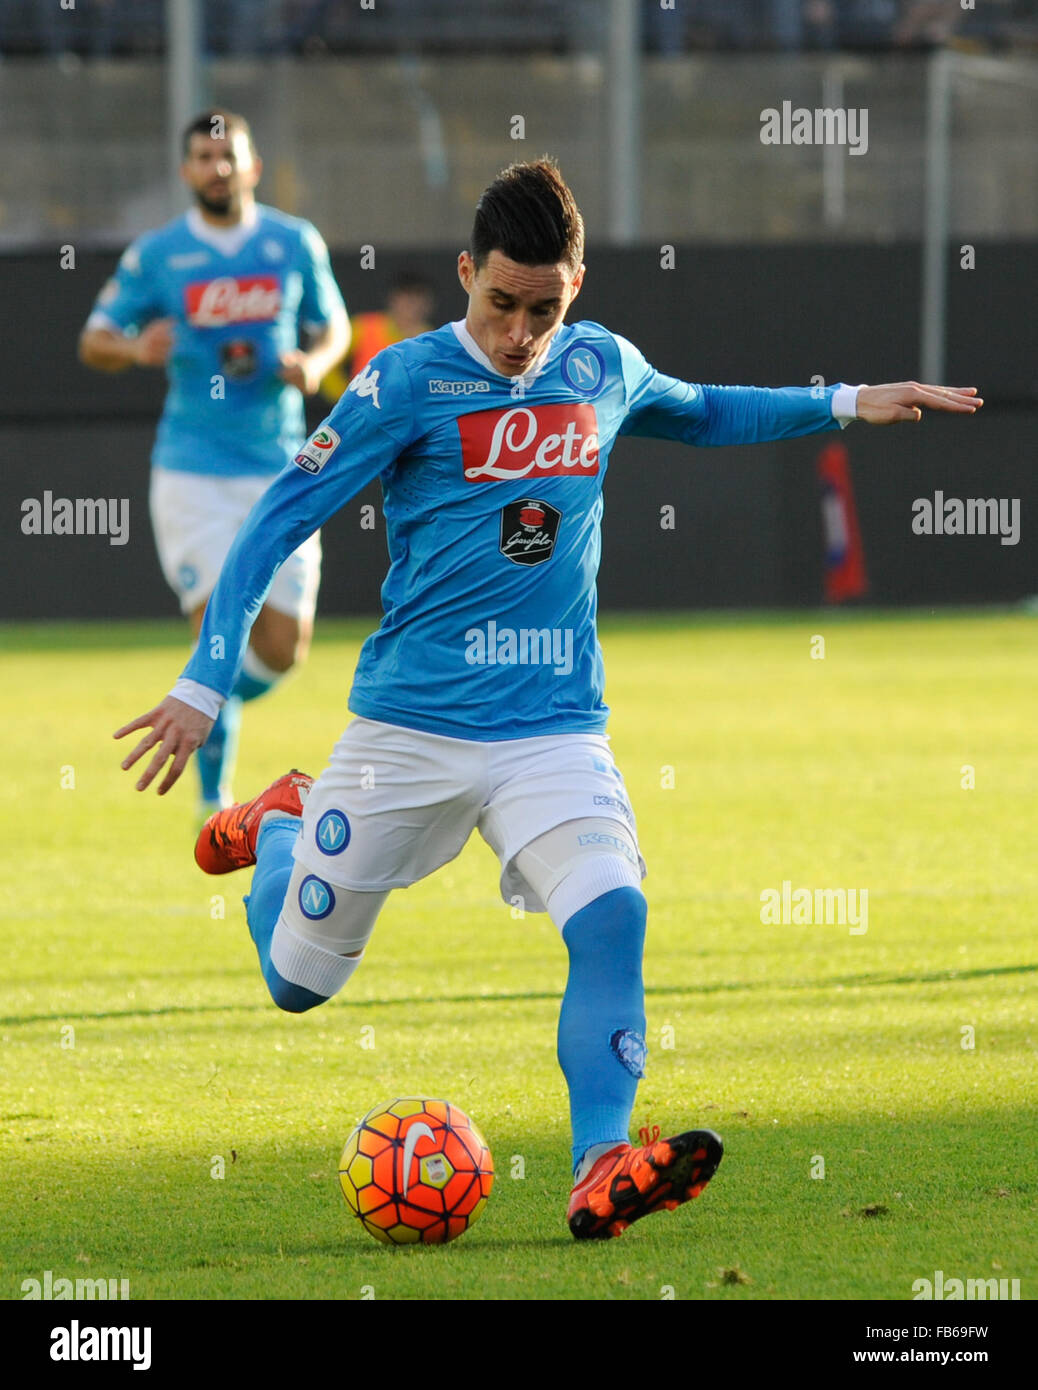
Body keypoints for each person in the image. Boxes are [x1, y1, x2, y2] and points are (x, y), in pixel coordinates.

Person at [114, 159, 982, 1240]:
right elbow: (277, 519)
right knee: (296, 984)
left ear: (576, 286)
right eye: (501, 303)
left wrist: (847, 401)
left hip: (554, 728)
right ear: (467, 273)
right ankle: (283, 826)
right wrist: (204, 681)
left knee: (614, 913)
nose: (521, 332)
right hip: (408, 731)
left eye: (544, 308)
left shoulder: (599, 364)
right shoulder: (403, 383)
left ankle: (599, 1160)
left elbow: (705, 410)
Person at [81, 108, 350, 821]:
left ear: (253, 165)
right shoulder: (159, 254)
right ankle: (213, 804)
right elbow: (95, 339)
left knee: (283, 649)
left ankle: (202, 702)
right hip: (192, 471)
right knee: (217, 635)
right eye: (204, 156)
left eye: (229, 155)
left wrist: (314, 364)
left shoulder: (293, 242)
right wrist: (133, 348)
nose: (218, 167)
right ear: (186, 170)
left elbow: (334, 327)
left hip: (281, 468)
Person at [319, 271, 435, 403]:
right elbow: (327, 365)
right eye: (406, 297)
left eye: (418, 297)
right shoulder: (364, 327)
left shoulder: (433, 341)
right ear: (392, 299)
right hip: (364, 412)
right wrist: (347, 399)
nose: (412, 304)